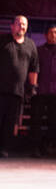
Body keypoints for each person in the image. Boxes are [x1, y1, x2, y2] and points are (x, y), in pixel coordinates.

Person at [0, 15, 39, 158]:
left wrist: (33, 86)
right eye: (18, 24)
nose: (21, 27)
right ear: (12, 26)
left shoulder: (31, 45)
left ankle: (4, 148)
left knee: (11, 122)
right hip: (1, 89)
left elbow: (34, 68)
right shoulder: (3, 41)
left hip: (17, 92)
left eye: (24, 24)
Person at [31, 25, 56, 155]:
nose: (54, 35)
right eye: (51, 33)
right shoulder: (39, 51)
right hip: (40, 91)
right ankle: (35, 147)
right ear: (45, 35)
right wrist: (31, 87)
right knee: (36, 119)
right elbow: (32, 70)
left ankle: (46, 143)